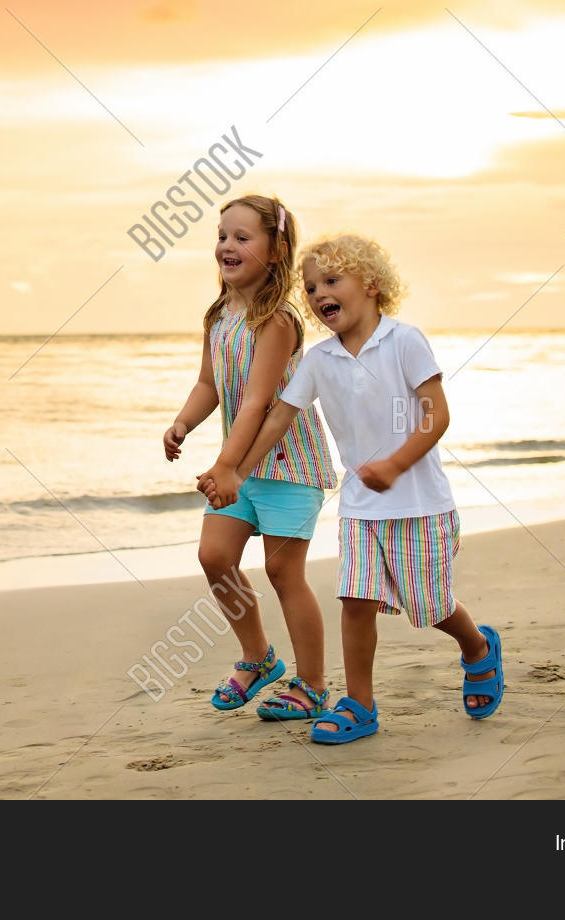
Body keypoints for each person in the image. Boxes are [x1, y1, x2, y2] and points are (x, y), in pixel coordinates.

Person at [198, 233, 503, 743]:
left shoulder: (404, 341)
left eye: (331, 282)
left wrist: (396, 464)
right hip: (360, 507)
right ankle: (359, 704)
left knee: (429, 607)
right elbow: (278, 419)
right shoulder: (319, 360)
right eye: (312, 287)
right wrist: (239, 470)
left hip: (419, 504)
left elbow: (437, 413)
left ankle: (476, 647)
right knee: (356, 600)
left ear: (373, 285)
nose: (318, 296)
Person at [163, 195, 339, 720]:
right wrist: (182, 423)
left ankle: (311, 684)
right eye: (222, 236)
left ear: (276, 248)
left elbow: (261, 401)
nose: (227, 246)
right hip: (237, 465)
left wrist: (226, 466)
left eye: (242, 237)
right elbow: (208, 383)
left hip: (288, 465)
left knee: (285, 573)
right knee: (215, 557)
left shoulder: (278, 320)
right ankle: (259, 656)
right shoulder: (218, 315)